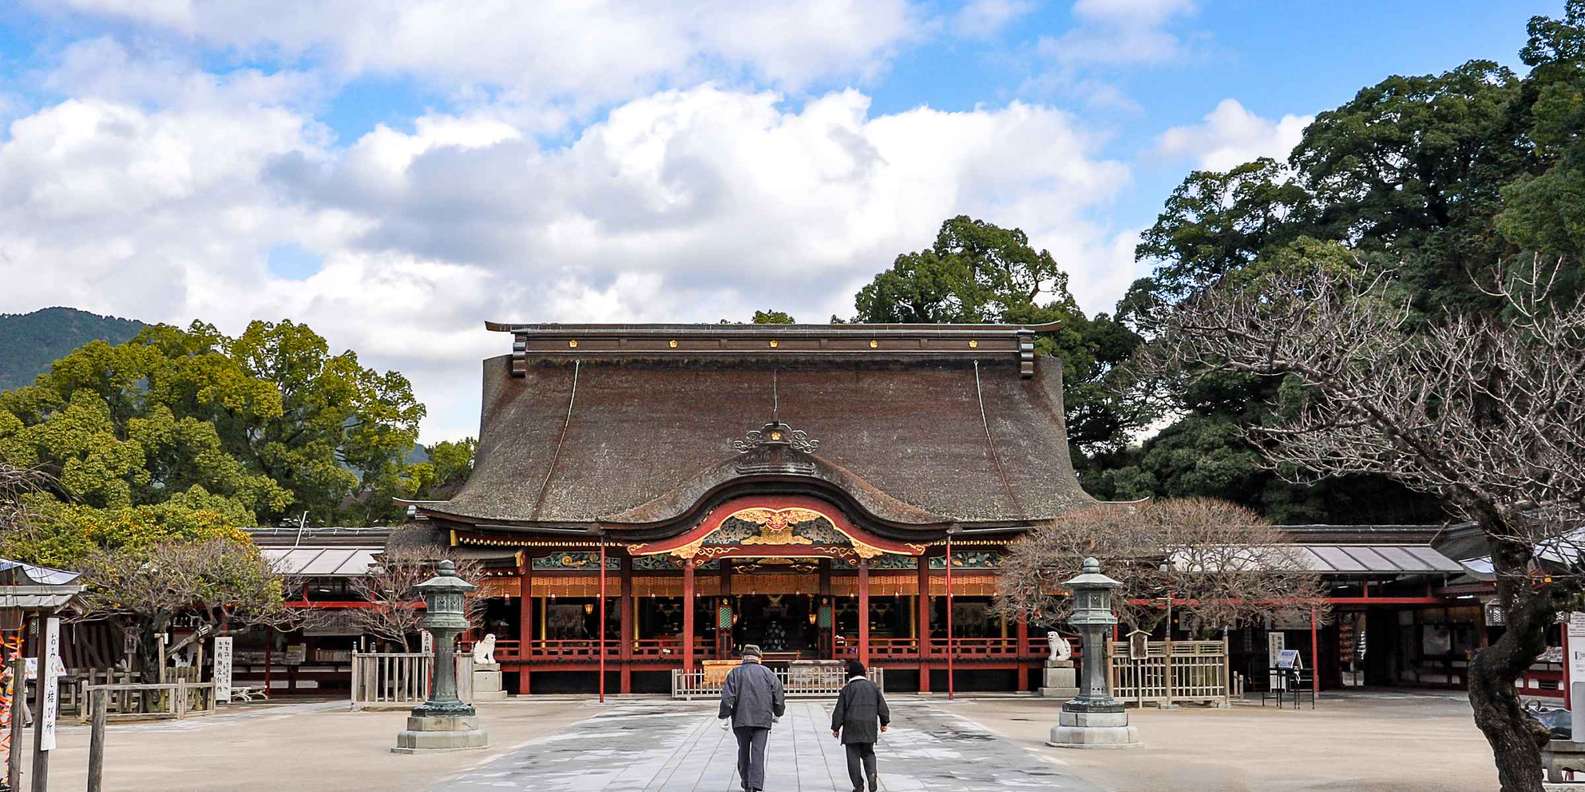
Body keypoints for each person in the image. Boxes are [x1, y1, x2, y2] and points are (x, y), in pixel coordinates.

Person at [718, 644, 785, 792]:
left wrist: (724, 716)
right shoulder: (768, 673)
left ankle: (746, 782)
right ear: (759, 658)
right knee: (758, 752)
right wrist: (778, 712)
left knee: (743, 750)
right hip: (762, 719)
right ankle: (756, 785)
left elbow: (728, 697)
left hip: (741, 718)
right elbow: (778, 694)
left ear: (743, 657)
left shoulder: (734, 673)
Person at [831, 659, 889, 792]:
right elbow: (882, 706)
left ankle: (858, 785)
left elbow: (839, 710)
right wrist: (884, 722)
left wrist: (836, 727)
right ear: (864, 673)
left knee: (853, 757)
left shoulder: (847, 689)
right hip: (869, 725)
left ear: (850, 674)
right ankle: (872, 775)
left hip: (851, 727)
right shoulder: (873, 687)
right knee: (868, 753)